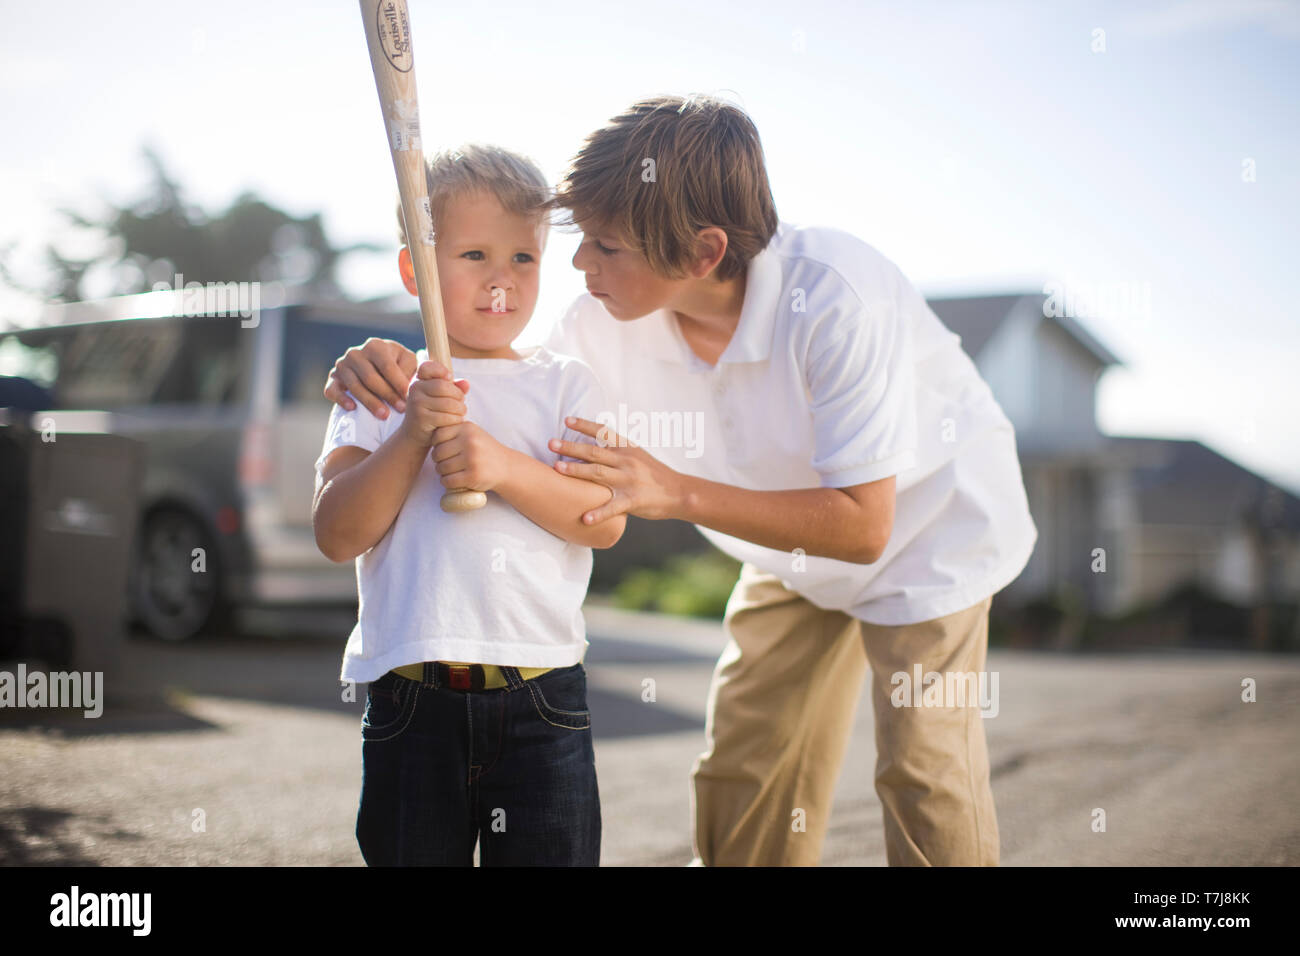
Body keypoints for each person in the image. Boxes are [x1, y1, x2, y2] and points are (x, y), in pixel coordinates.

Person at [322, 95, 1038, 867]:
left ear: (701, 253)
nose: (577, 264)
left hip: (929, 535)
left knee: (924, 774)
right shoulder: (595, 322)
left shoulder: (837, 295)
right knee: (745, 773)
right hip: (786, 551)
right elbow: (491, 365)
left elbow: (866, 528)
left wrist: (674, 490)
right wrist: (375, 359)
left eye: (605, 246)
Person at [312, 143, 625, 866]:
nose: (502, 280)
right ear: (412, 270)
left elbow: (604, 522)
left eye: (524, 258)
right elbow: (337, 533)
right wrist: (413, 433)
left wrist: (506, 468)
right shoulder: (382, 388)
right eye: (475, 254)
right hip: (412, 704)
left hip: (542, 698)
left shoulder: (567, 386)